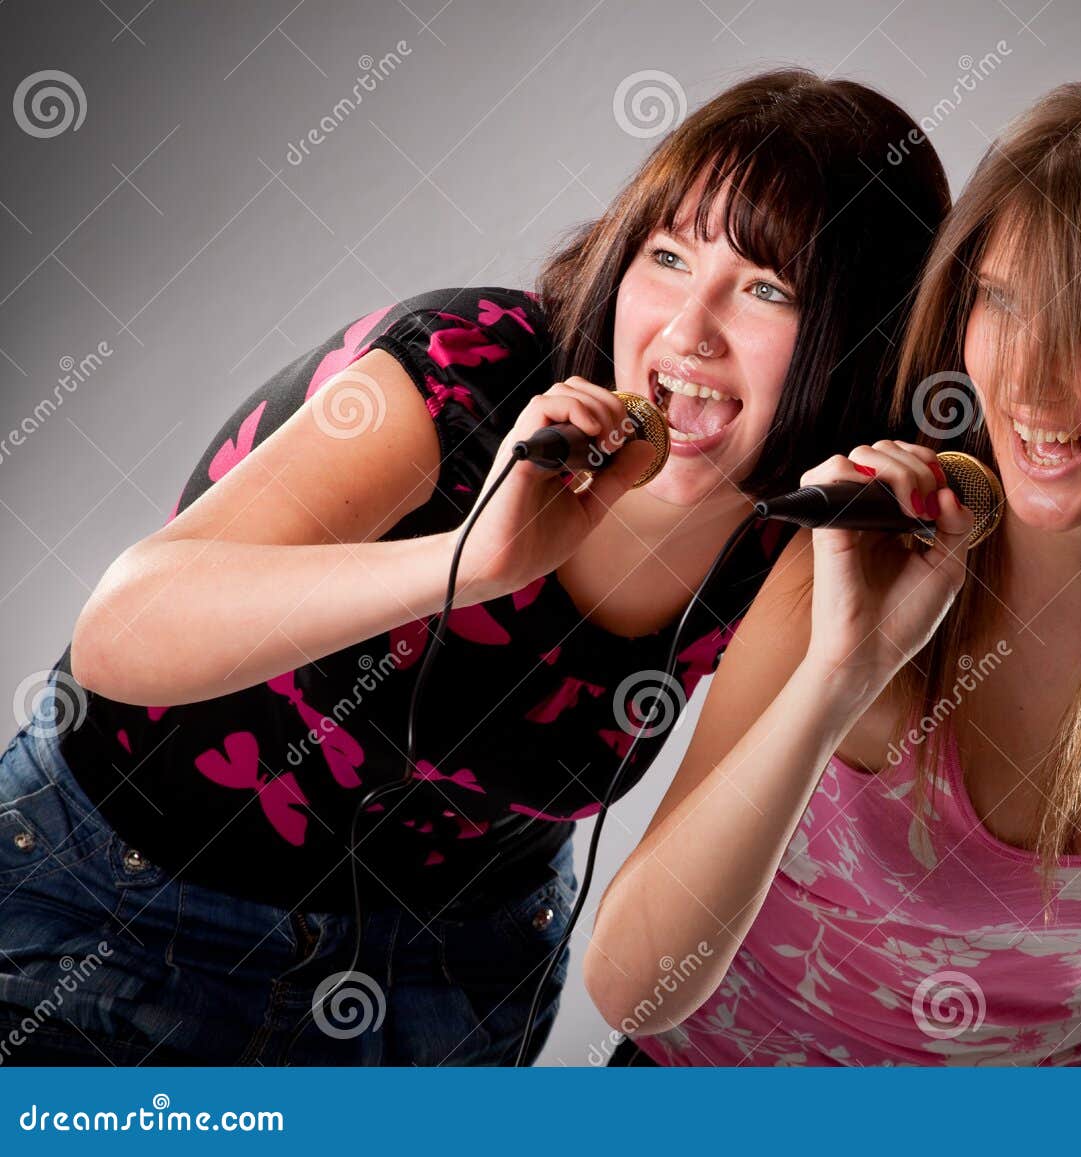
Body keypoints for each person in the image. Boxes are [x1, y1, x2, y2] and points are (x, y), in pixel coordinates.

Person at [0, 68, 949, 1065]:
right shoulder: (471, 367)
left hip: (450, 988)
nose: (686, 329)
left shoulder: (802, 533)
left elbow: (640, 988)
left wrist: (838, 678)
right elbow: (120, 633)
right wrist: (468, 561)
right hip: (115, 904)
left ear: (860, 340)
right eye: (666, 256)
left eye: (767, 288)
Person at [587, 73, 1081, 1066]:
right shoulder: (867, 547)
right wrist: (843, 671)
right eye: (1001, 301)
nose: (1029, 381)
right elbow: (629, 984)